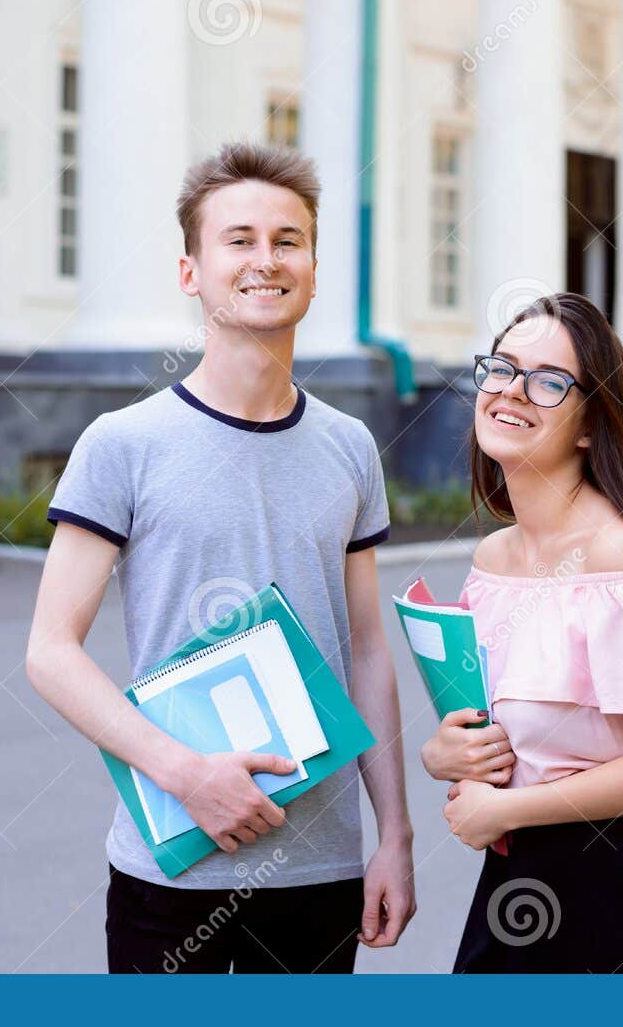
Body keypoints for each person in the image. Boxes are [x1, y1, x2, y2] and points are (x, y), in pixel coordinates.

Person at [26, 141, 416, 973]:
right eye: (238, 239)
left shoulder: (350, 448)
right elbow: (50, 651)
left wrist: (396, 836)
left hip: (322, 866)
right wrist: (185, 771)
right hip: (174, 856)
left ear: (312, 266)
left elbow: (369, 649)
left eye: (288, 239)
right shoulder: (122, 445)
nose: (265, 260)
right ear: (191, 270)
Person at [421, 291, 623, 973]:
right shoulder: (493, 561)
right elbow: (504, 730)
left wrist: (507, 810)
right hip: (515, 886)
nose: (512, 391)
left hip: (622, 896)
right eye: (502, 368)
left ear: (591, 424)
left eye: (549, 381)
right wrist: (448, 754)